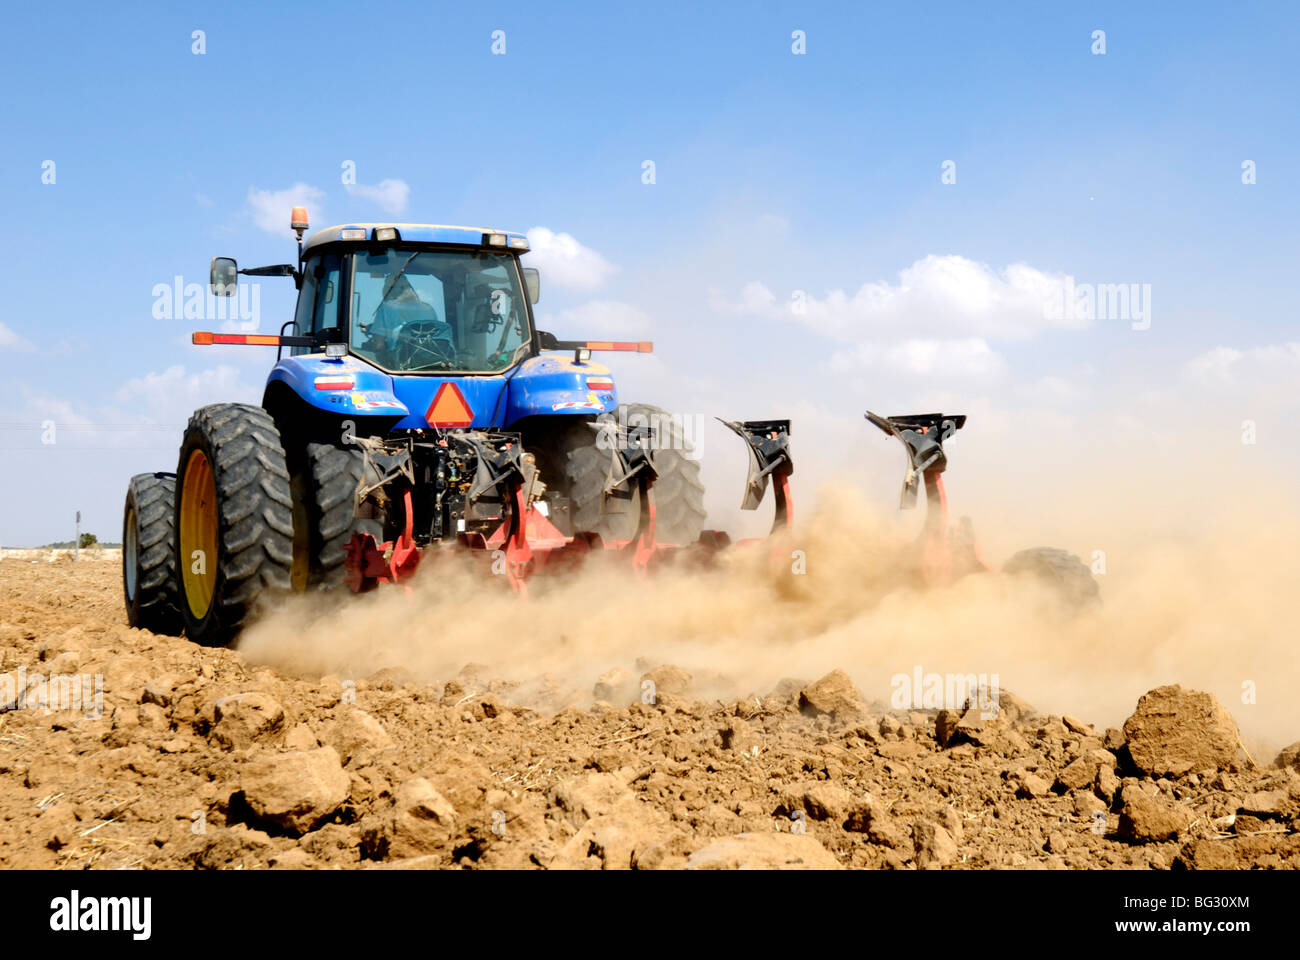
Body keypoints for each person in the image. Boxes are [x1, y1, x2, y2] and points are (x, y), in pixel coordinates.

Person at [360, 273, 454, 368]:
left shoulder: (386, 307)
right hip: (433, 362)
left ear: (388, 290)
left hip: (401, 364)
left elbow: (378, 345)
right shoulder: (428, 308)